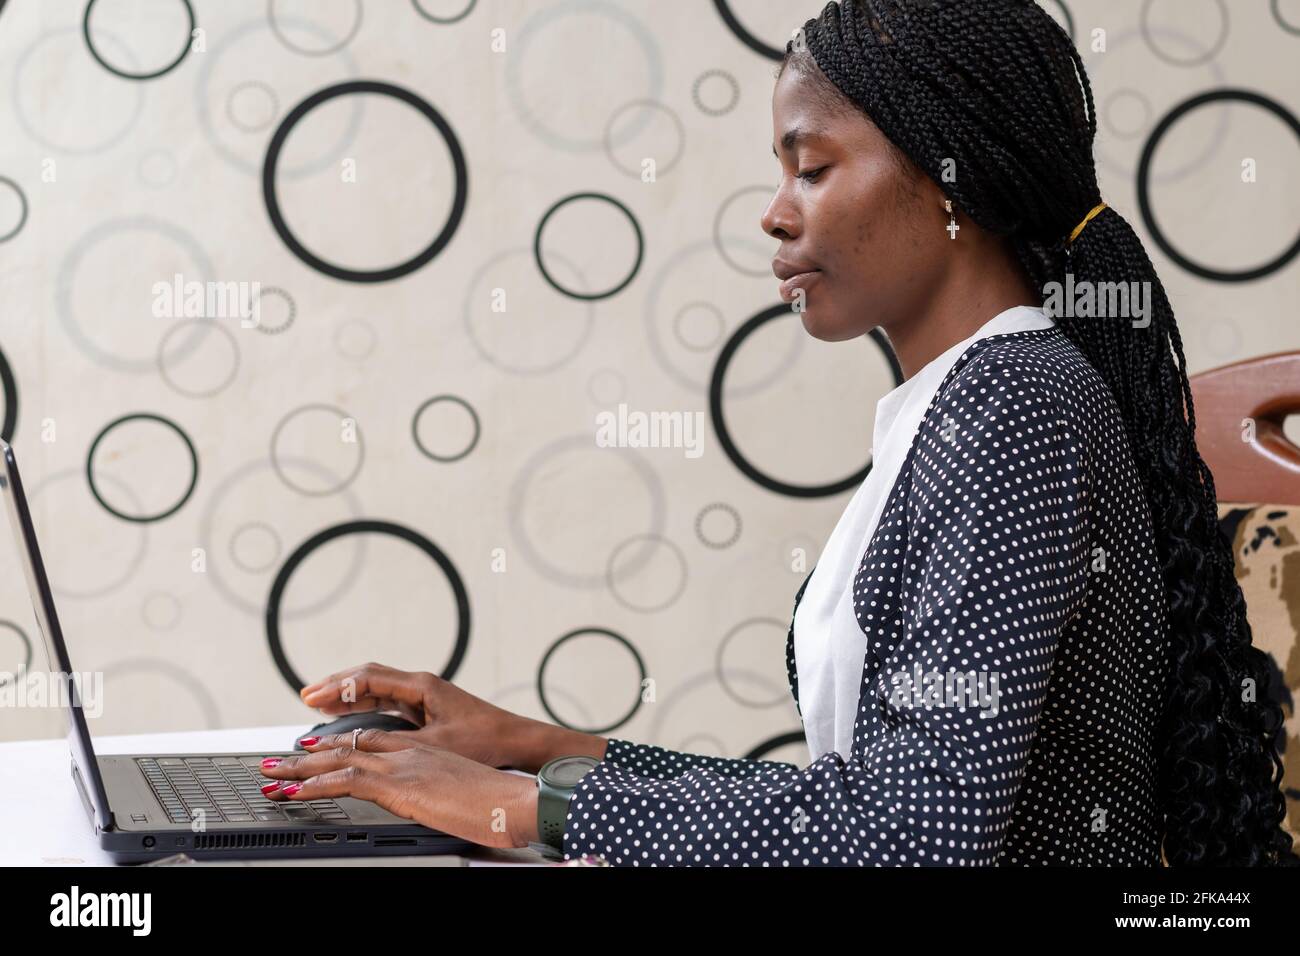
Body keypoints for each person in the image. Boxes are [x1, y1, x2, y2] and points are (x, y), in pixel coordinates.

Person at [258, 0, 1296, 866]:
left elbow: (921, 833)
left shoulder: (1019, 404)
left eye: (811, 167)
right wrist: (544, 751)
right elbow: (867, 800)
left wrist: (525, 808)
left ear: (948, 179)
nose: (774, 213)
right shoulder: (957, 405)